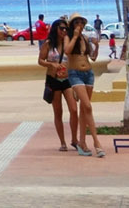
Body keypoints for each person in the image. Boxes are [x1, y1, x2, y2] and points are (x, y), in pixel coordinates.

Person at [65, 14, 105, 156]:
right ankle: (96, 142)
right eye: (77, 22)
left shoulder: (85, 39)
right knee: (87, 106)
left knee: (84, 109)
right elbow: (67, 51)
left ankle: (82, 142)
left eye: (81, 22)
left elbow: (92, 57)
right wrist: (75, 36)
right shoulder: (69, 38)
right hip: (75, 74)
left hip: (88, 73)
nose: (79, 25)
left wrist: (97, 45)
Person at [39, 17, 74, 150]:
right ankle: (62, 142)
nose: (64, 31)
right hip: (53, 80)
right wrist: (52, 64)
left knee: (73, 109)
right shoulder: (48, 44)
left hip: (67, 79)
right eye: (61, 28)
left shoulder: (68, 44)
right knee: (58, 112)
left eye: (66, 29)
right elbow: (40, 60)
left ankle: (74, 139)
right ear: (55, 29)